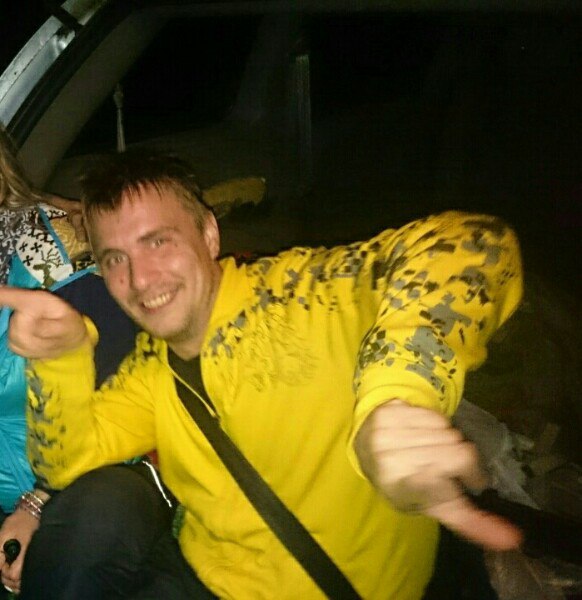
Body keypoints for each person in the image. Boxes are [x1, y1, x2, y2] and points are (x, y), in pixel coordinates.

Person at [3, 150, 524, 599]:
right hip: (199, 580)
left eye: (158, 242)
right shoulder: (149, 367)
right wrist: (60, 360)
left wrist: (398, 394)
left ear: (209, 234)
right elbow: (65, 463)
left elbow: (473, 243)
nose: (139, 278)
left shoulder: (306, 292)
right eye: (115, 258)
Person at [0, 131, 172, 598]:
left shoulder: (55, 253)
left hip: (101, 472)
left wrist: (37, 504)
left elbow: (118, 396)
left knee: (78, 554)